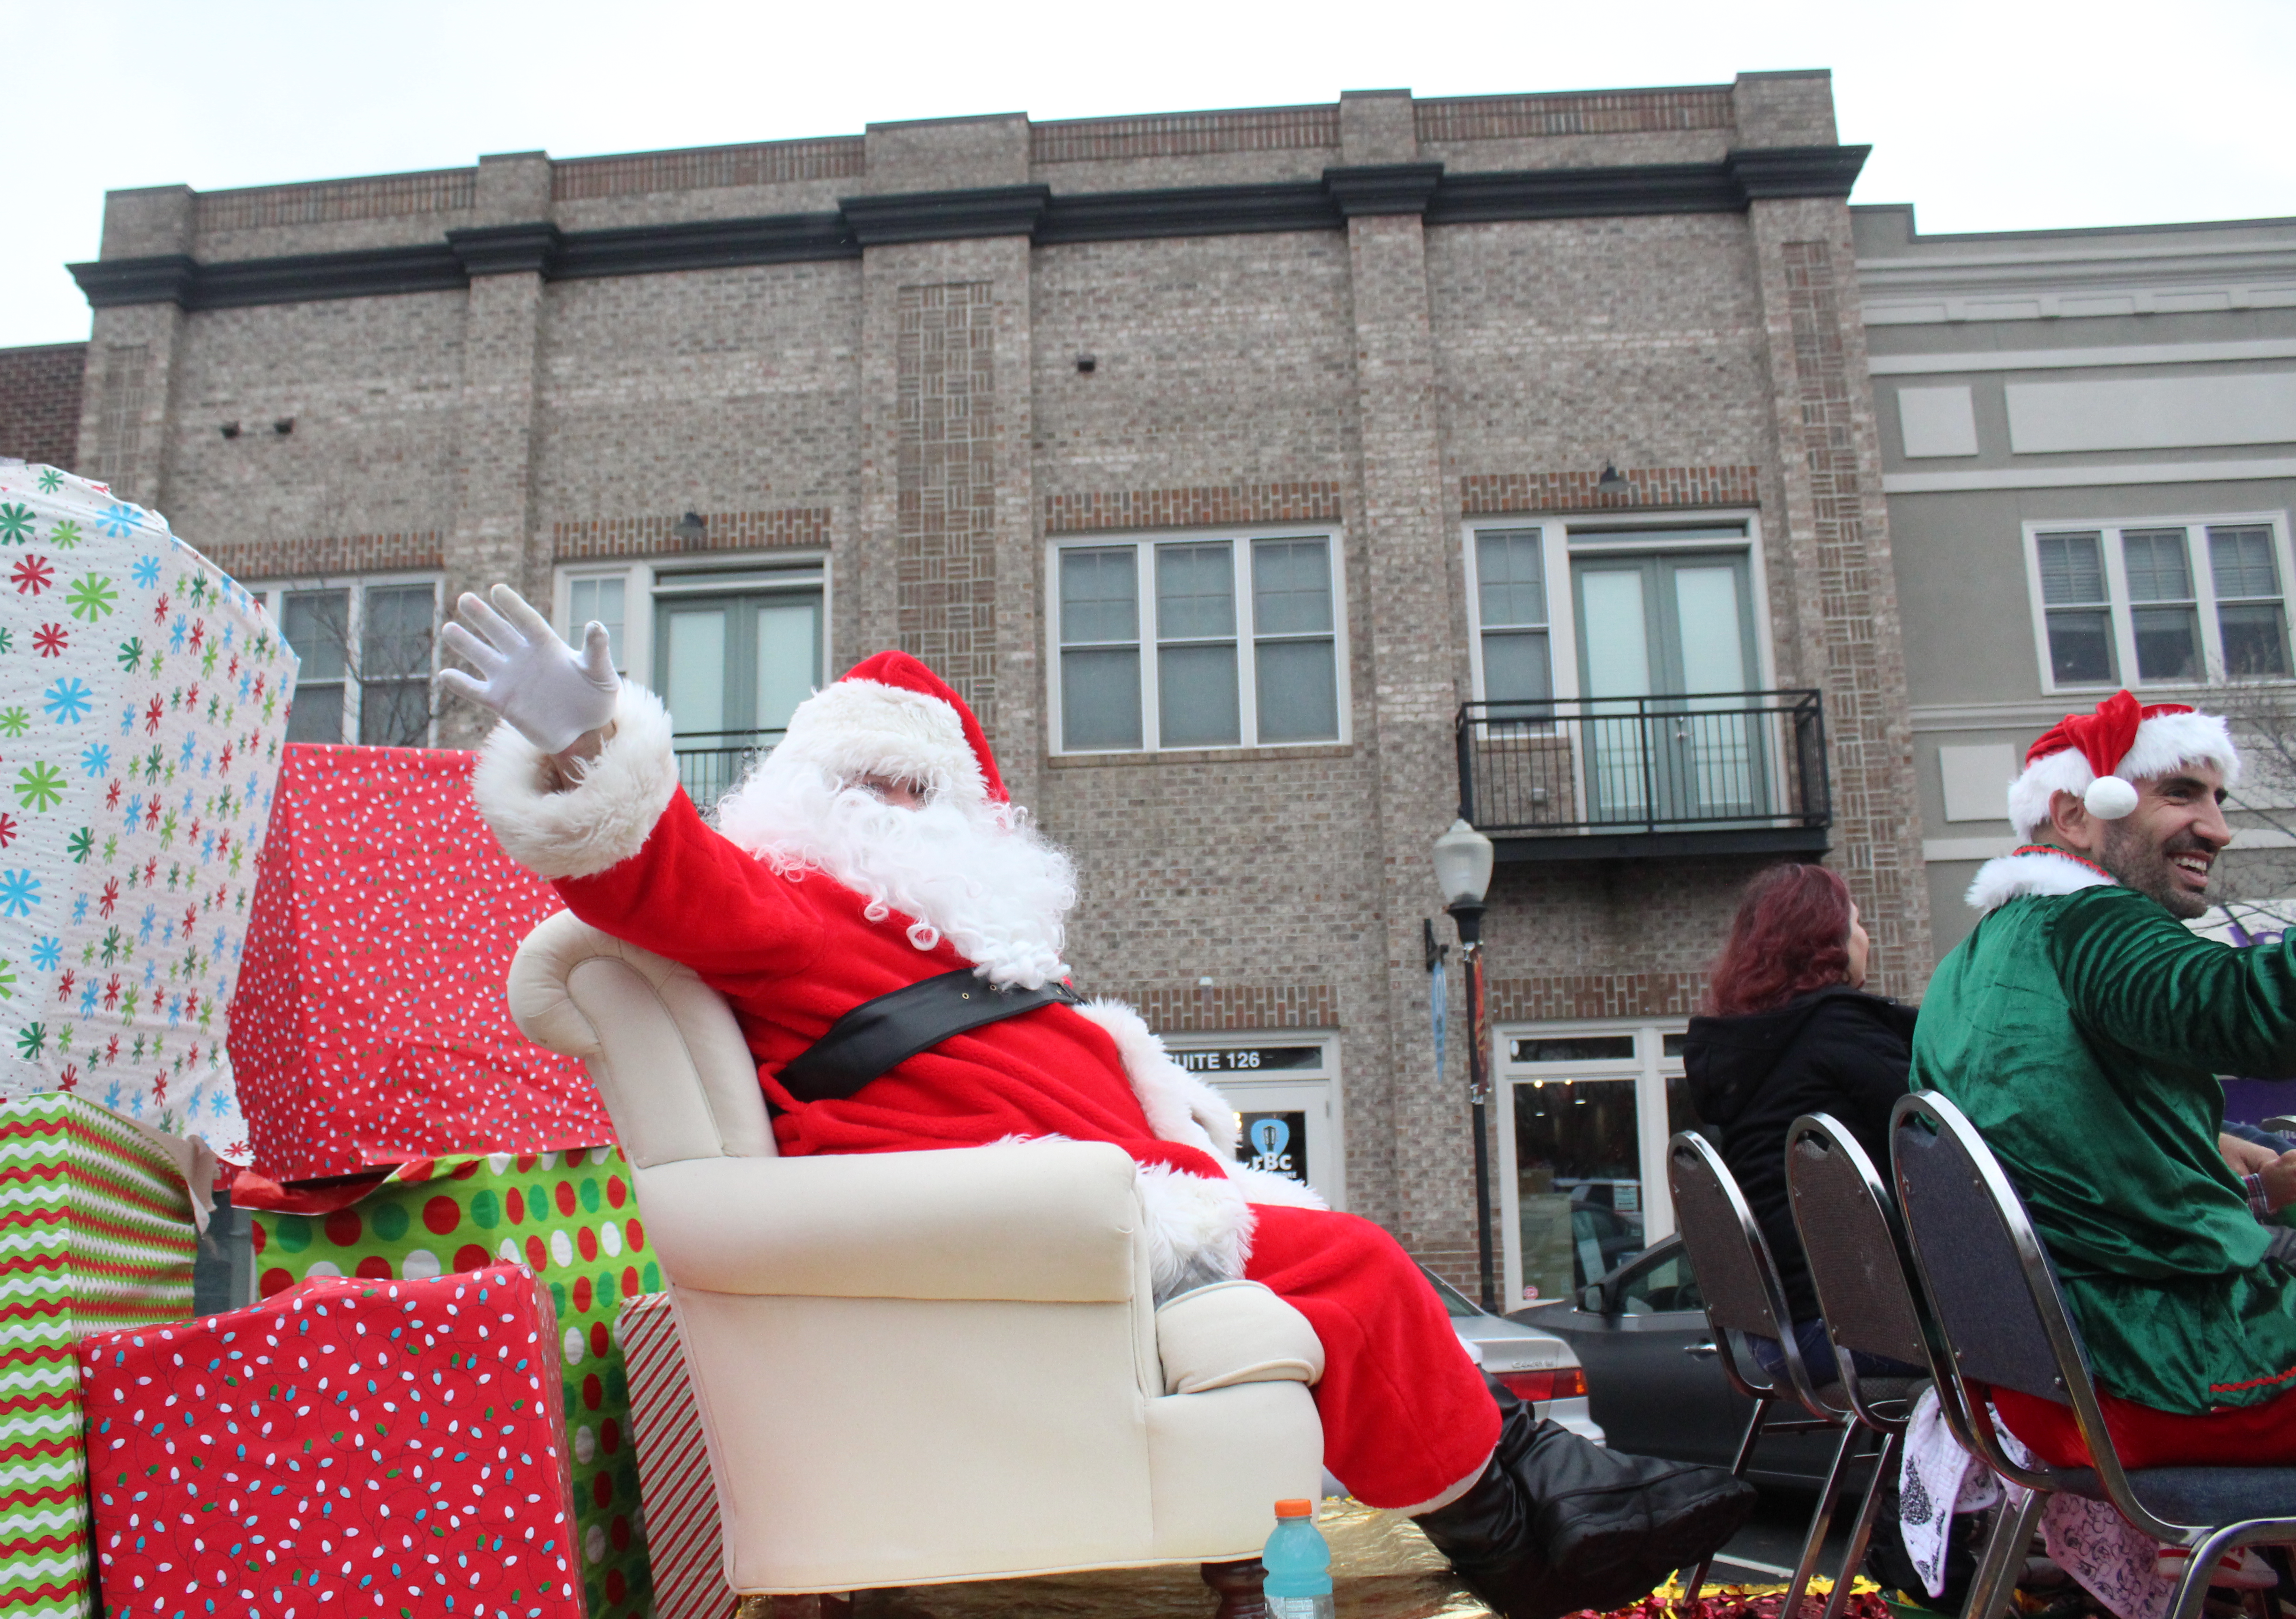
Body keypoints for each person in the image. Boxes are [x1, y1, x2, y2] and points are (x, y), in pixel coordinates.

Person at [441, 585, 1754, 1619]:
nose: (891, 808)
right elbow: (663, 878)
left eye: (917, 787)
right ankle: (1524, 1536)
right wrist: (588, 745)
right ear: (803, 794)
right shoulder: (787, 903)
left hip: (1096, 1214)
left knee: (1357, 1265)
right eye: (863, 783)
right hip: (1018, 1226)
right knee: (1353, 1261)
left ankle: (1550, 1493)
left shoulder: (972, 944)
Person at [1912, 689, 2296, 1467]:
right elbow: (2248, 1011)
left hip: (2047, 1388)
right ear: (2072, 815)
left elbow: (2053, 1130)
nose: (2218, 829)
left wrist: (2203, 1145)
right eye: (2180, 793)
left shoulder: (1968, 964)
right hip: (2176, 1373)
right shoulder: (2095, 922)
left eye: (2217, 799)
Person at [1683, 862, 1923, 1387]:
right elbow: (1937, 1138)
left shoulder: (1746, 1052)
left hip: (1775, 1339)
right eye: (1857, 923)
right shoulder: (1839, 1028)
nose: (1867, 937)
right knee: (2055, 1336)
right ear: (1827, 943)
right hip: (1855, 1335)